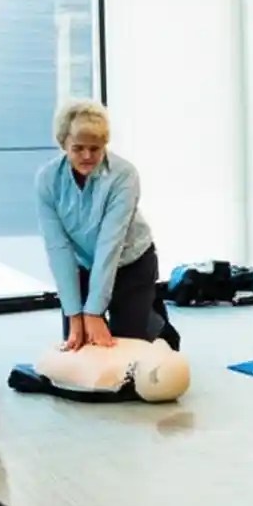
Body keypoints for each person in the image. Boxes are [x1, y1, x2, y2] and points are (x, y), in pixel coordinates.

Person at [36, 99, 174, 351]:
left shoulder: (124, 175)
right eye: (78, 148)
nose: (87, 156)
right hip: (83, 265)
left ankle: (156, 325)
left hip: (130, 262)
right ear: (63, 144)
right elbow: (58, 249)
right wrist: (75, 314)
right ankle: (142, 310)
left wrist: (93, 312)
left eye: (95, 148)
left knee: (127, 346)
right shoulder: (47, 179)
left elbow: (110, 244)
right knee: (80, 345)